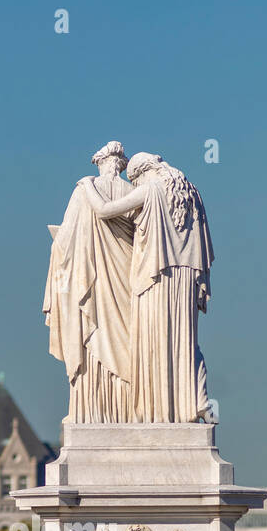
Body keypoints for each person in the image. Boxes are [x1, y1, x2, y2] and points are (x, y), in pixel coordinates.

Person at [80, 153, 213, 423]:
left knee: (154, 340)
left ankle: (159, 414)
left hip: (157, 276)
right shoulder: (193, 193)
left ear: (141, 175)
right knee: (185, 341)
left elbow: (105, 211)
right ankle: (194, 402)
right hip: (186, 277)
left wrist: (87, 185)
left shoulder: (151, 189)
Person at [44, 141, 136, 422]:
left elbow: (65, 240)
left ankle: (93, 410)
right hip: (126, 273)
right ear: (120, 165)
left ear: (102, 163)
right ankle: (129, 408)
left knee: (92, 334)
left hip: (93, 279)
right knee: (126, 337)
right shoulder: (132, 191)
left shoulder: (85, 190)